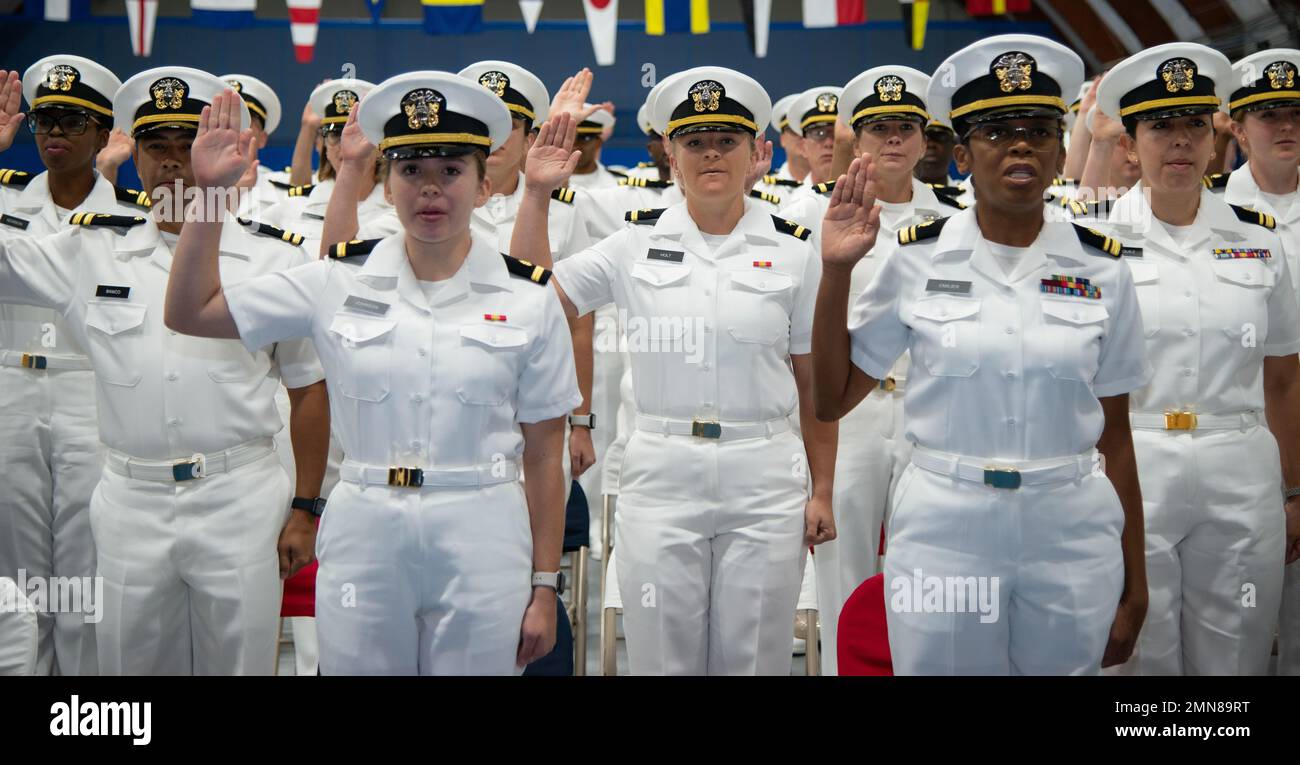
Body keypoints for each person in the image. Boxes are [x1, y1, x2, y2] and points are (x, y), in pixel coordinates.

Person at [163, 72, 581, 675]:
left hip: (483, 529)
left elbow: (544, 452)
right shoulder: (336, 279)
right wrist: (207, 198)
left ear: (485, 184)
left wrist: (545, 584)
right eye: (411, 171)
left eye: (451, 171)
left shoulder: (528, 297)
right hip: (366, 528)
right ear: (386, 187)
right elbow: (190, 313)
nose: (430, 189)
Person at [812, 34, 1151, 675]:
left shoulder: (1105, 270)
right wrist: (835, 274)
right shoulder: (916, 259)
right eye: (997, 132)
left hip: (1070, 530)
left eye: (1039, 129)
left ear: (1058, 151)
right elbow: (832, 398)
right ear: (964, 155)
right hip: (947, 527)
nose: (1020, 144)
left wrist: (1136, 579)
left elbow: (1119, 436)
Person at [0, 65, 329, 675]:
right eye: (159, 146)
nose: (176, 162)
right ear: (134, 154)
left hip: (241, 497)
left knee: (239, 667)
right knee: (130, 678)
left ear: (232, 153)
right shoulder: (88, 247)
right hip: (129, 501)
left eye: (192, 145)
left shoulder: (276, 256)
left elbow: (310, 390)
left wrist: (306, 508)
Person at [511, 66, 838, 675]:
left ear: (755, 153)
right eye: (694, 142)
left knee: (758, 659)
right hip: (661, 473)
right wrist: (534, 194)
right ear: (670, 154)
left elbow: (811, 381)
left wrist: (821, 489)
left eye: (727, 141)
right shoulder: (631, 245)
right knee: (662, 658)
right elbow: (529, 299)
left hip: (764, 476)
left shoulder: (797, 250)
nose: (711, 153)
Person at [1094, 43, 1300, 676]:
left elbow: (1284, 373)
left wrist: (1293, 491)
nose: (1178, 142)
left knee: (1235, 656)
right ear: (1130, 145)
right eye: (1160, 126)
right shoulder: (1091, 240)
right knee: (1140, 655)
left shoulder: (1258, 239)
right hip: (1134, 463)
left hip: (1238, 465)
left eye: (1192, 126)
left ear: (1216, 140)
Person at [781, 65, 963, 676]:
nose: (894, 139)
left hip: (928, 412)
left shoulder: (957, 221)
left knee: (930, 575)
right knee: (844, 576)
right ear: (853, 139)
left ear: (924, 136)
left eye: (906, 127)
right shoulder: (807, 218)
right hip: (849, 415)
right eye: (878, 127)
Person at [0, 55, 141, 676]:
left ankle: (80, 703)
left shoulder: (135, 216)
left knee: (86, 564)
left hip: (91, 392)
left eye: (72, 121)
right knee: (15, 568)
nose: (53, 132)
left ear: (105, 133)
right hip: (10, 390)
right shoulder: (4, 194)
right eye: (44, 119)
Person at [1210, 48, 1300, 675]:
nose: (1286, 126)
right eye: (1268, 114)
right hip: (1245, 432)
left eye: (1296, 112)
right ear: (1237, 128)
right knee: (1236, 617)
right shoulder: (1212, 213)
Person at [264, 78, 389, 251]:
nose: (346, 145)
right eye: (336, 135)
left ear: (380, 145)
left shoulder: (404, 211)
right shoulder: (291, 208)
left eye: (359, 134)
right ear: (324, 147)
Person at [221, 74, 287, 219]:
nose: (234, 132)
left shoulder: (286, 197)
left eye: (244, 123)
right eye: (225, 122)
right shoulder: (181, 188)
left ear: (262, 139)